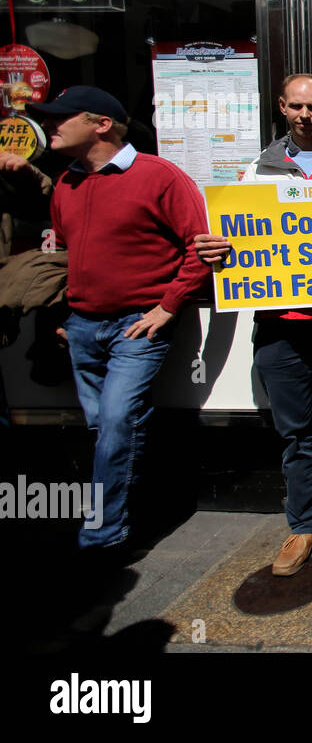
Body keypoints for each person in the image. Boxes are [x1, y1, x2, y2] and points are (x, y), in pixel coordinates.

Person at [195, 74, 312, 577]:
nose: (305, 115)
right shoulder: (254, 171)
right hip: (278, 323)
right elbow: (235, 242)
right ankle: (304, 523)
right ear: (282, 107)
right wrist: (216, 251)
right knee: (294, 432)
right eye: (296, 106)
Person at [31, 85, 208, 552]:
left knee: (114, 423)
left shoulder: (160, 177)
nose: (51, 125)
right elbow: (65, 254)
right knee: (105, 428)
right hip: (83, 326)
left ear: (101, 124)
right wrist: (63, 314)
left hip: (136, 325)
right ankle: (127, 513)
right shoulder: (66, 183)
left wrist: (168, 307)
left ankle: (103, 535)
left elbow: (199, 246)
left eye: (62, 117)